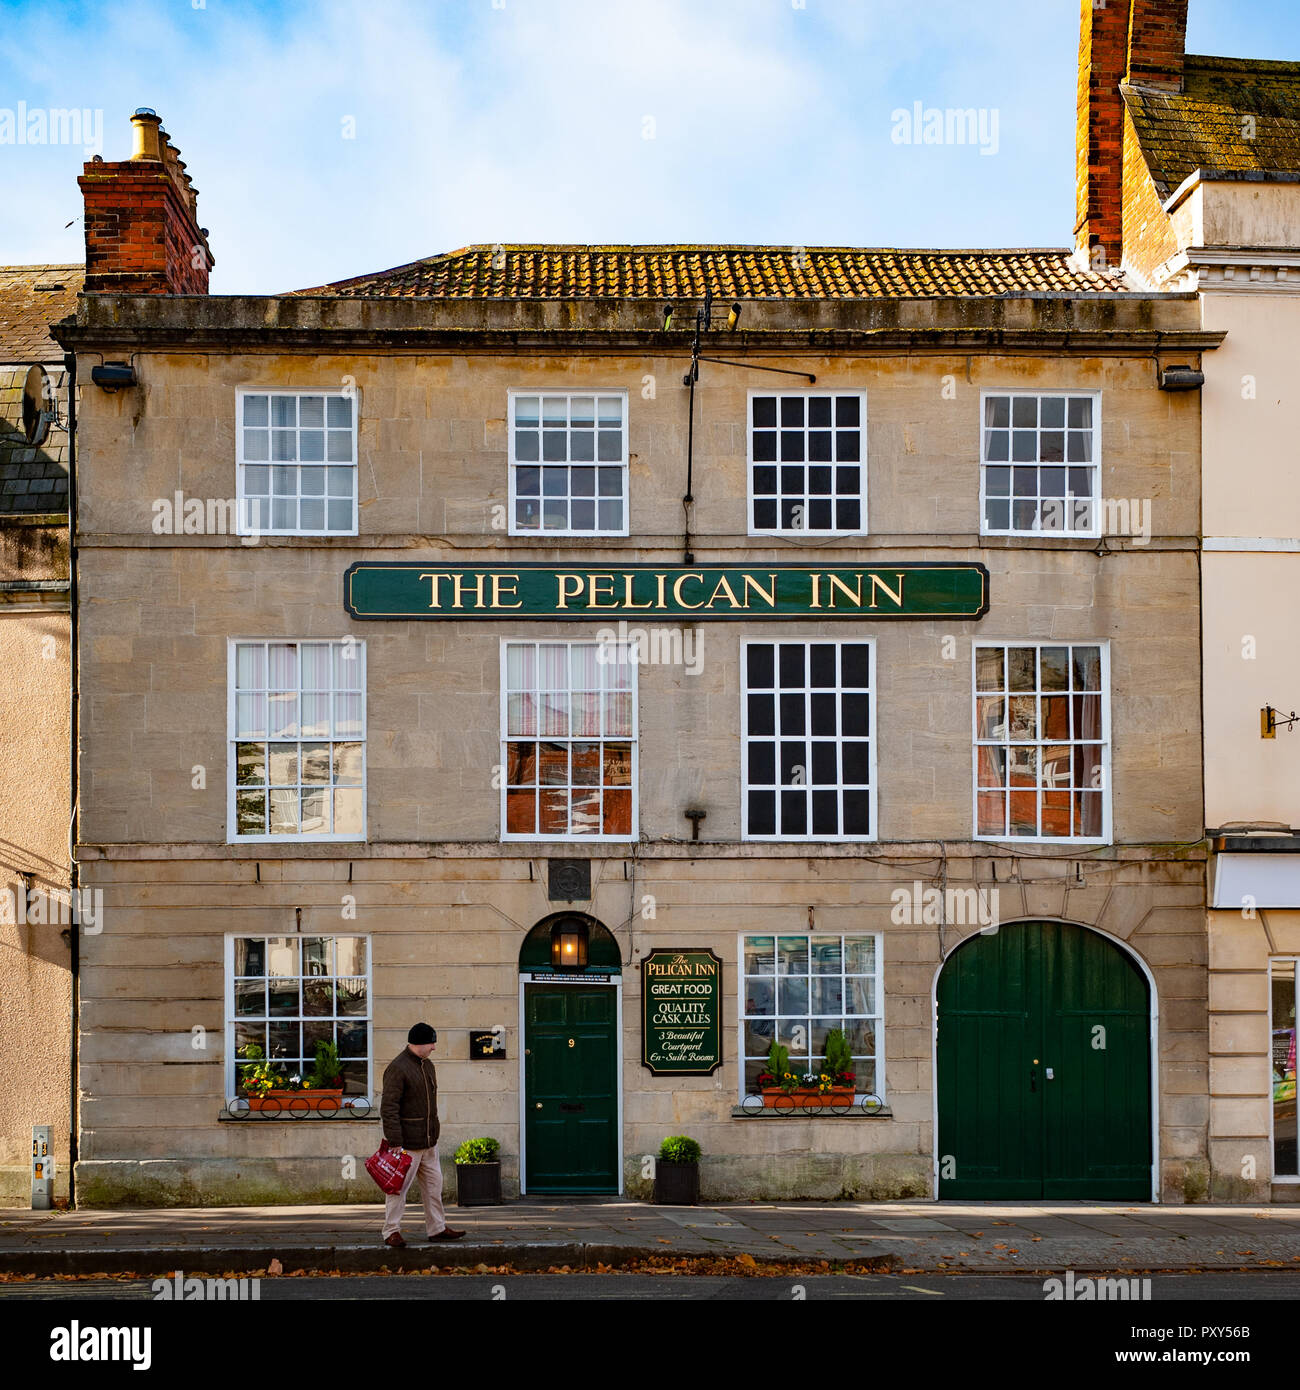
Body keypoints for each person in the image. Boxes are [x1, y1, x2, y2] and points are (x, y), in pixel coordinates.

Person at [380, 1022, 465, 1246]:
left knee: (434, 1188)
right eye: (432, 1042)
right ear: (419, 1043)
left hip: (429, 1141)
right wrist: (395, 1141)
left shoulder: (427, 1066)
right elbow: (389, 1108)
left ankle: (437, 1229)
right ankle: (391, 1232)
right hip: (406, 1144)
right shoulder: (397, 1068)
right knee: (397, 1190)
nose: (434, 1047)